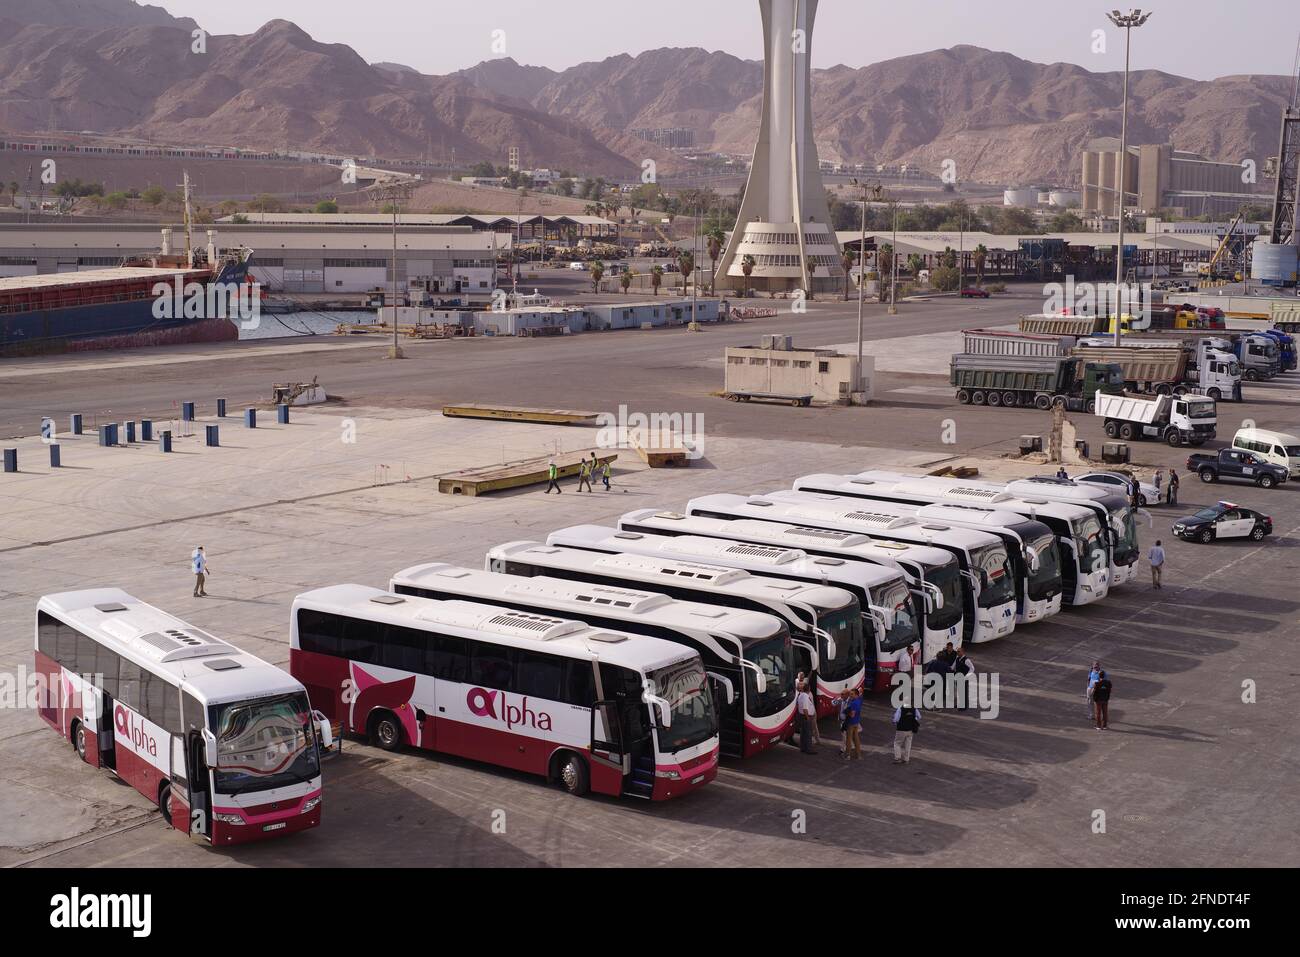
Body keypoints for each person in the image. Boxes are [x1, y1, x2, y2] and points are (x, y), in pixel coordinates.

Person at [795, 680, 818, 754]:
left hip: (802, 716)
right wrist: (808, 717)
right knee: (808, 733)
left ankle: (803, 747)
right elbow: (805, 709)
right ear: (809, 689)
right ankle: (808, 749)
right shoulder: (805, 696)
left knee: (803, 733)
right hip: (806, 716)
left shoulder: (801, 695)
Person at [844, 685, 863, 760]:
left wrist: (846, 712)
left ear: (856, 694)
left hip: (851, 722)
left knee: (849, 739)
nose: (850, 696)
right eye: (850, 694)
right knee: (856, 738)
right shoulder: (859, 700)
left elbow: (852, 714)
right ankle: (858, 755)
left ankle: (848, 755)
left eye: (852, 694)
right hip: (856, 722)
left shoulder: (853, 703)